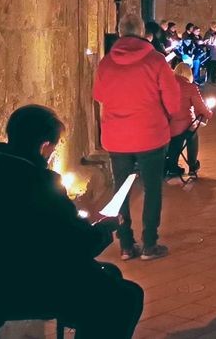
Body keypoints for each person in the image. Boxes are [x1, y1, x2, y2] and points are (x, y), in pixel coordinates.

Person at [0, 106, 144, 338]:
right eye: (55, 146)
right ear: (44, 146)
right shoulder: (39, 182)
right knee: (126, 297)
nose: (54, 152)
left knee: (107, 277)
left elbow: (38, 233)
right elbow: (79, 246)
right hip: (8, 287)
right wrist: (106, 225)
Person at [92, 14, 179, 261]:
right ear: (142, 33)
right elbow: (172, 100)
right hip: (150, 134)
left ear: (120, 33)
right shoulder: (155, 60)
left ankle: (126, 244)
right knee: (152, 188)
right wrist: (166, 116)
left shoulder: (107, 63)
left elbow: (99, 95)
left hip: (117, 137)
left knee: (121, 189)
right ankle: (150, 243)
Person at [166, 62, 215, 179]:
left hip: (166, 125)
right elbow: (200, 107)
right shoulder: (190, 87)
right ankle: (192, 164)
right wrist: (209, 113)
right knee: (193, 132)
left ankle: (172, 165)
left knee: (176, 138)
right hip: (184, 125)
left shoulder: (166, 84)